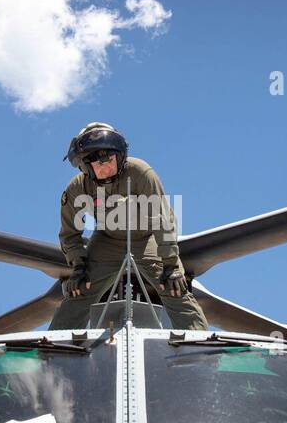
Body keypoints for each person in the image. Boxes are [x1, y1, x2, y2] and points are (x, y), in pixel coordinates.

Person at [49, 122, 207, 332]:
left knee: (173, 286)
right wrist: (78, 266)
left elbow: (161, 218)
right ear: (86, 167)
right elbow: (70, 234)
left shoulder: (141, 172)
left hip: (146, 238)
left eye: (110, 159)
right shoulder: (77, 188)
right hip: (107, 241)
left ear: (120, 155)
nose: (107, 166)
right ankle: (52, 354)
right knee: (80, 290)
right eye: (99, 163)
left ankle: (200, 346)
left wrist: (170, 264)